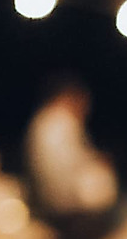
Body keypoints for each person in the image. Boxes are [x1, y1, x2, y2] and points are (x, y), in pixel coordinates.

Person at [24, 77, 117, 218]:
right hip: (65, 202)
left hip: (55, 197)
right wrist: (97, 163)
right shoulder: (59, 122)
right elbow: (67, 167)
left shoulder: (44, 120)